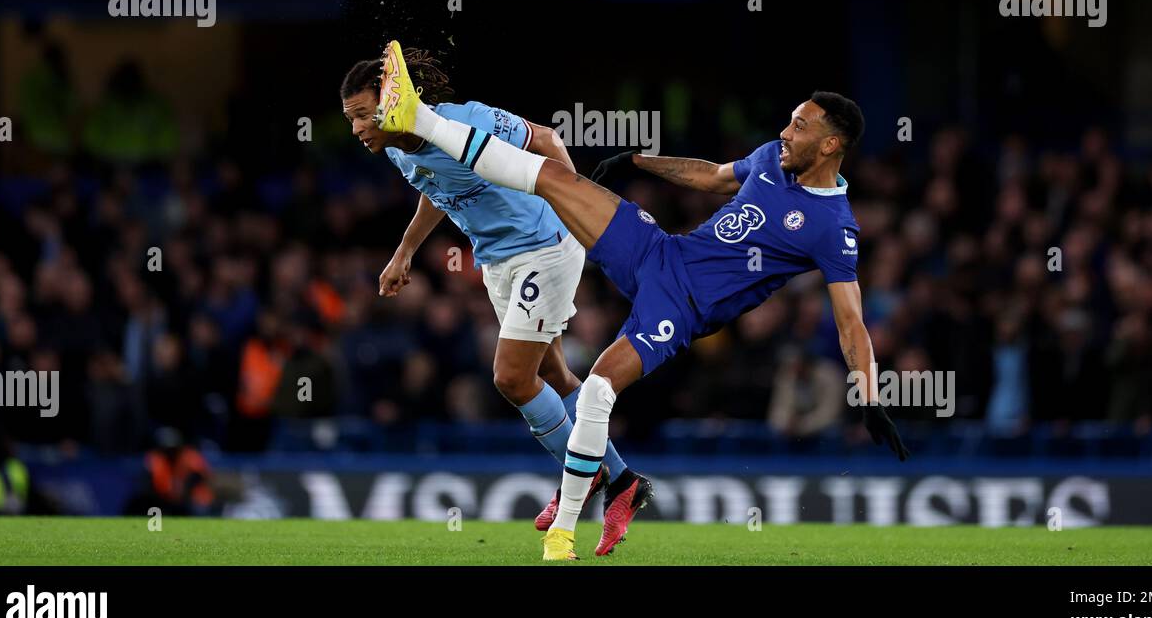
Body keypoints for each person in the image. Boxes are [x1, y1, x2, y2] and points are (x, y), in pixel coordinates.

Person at [373, 40, 909, 560]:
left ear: (832, 144)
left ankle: (563, 533)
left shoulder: (834, 229)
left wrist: (868, 394)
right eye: (790, 120)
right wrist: (637, 159)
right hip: (660, 254)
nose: (785, 132)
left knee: (597, 390)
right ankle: (419, 119)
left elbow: (851, 324)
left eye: (800, 125)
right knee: (554, 178)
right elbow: (714, 176)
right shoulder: (772, 158)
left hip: (683, 308)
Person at [340, 48, 645, 531]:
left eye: (361, 114)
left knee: (510, 377)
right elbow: (436, 188)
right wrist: (405, 251)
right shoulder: (400, 148)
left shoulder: (465, 119)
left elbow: (544, 138)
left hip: (545, 246)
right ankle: (623, 479)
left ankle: (583, 476)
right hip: (499, 261)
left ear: (392, 98)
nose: (356, 129)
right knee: (554, 374)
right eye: (350, 119)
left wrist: (578, 204)